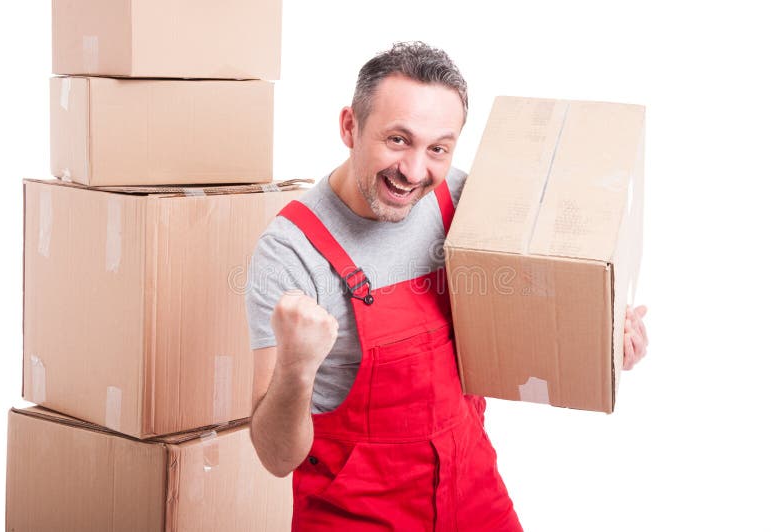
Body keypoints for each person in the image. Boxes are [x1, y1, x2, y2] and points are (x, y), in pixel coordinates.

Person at [246, 41, 649, 531]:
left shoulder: (461, 201)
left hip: (472, 487)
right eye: (397, 140)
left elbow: (521, 331)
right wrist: (295, 367)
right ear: (350, 127)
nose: (414, 172)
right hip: (357, 513)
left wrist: (601, 342)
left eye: (437, 148)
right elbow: (274, 456)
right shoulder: (290, 252)